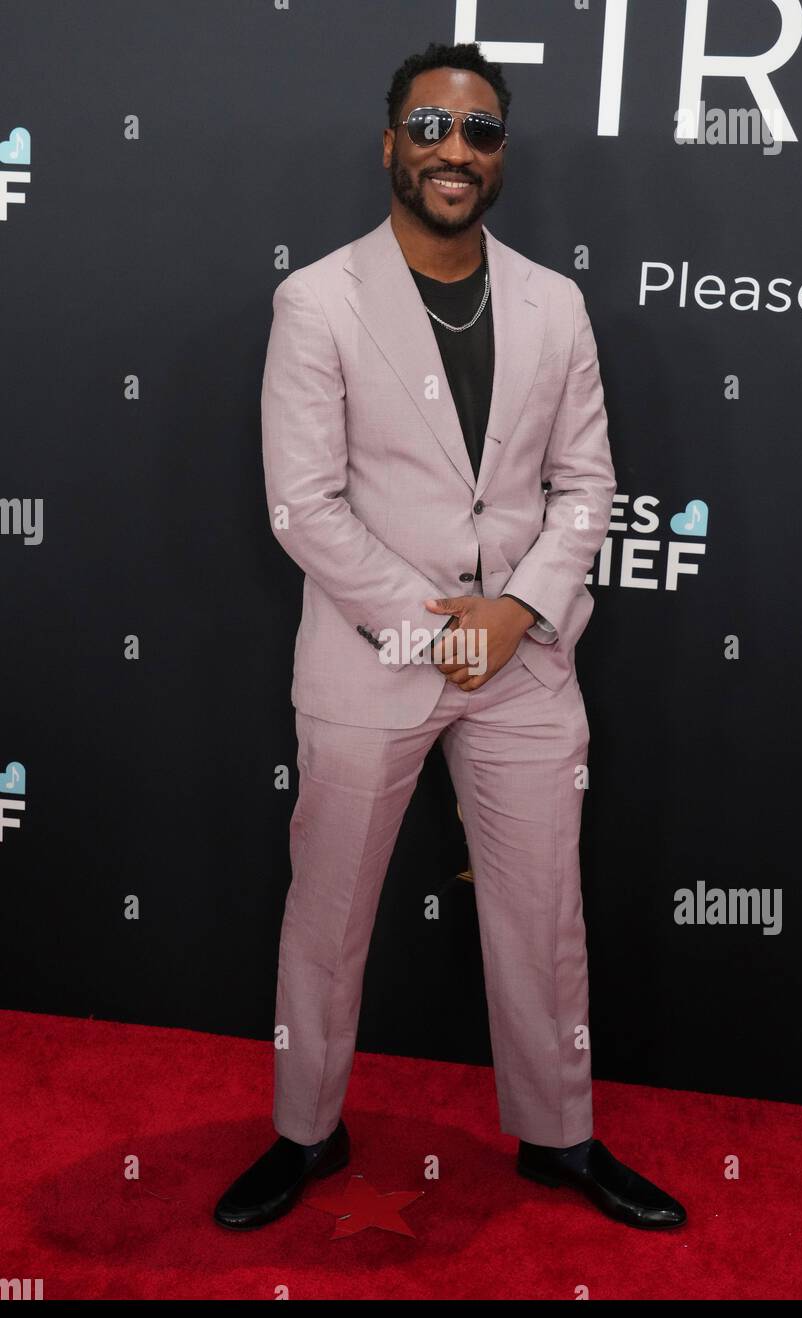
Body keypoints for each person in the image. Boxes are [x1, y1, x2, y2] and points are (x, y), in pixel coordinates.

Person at [214, 40, 686, 1233]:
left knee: (543, 914)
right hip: (375, 662)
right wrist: (439, 631)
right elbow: (303, 506)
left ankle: (557, 1135)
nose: (454, 151)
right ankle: (306, 1132)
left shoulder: (553, 302)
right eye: (430, 127)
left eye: (477, 132)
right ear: (389, 144)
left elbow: (586, 486)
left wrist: (513, 613)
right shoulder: (316, 300)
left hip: (523, 662)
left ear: (499, 154)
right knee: (327, 911)